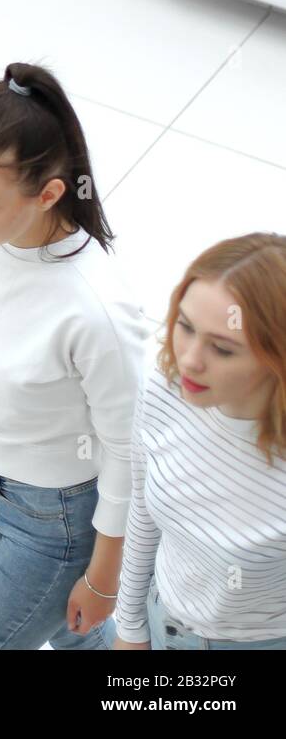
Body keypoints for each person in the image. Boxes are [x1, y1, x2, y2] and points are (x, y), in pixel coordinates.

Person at [0, 63, 149, 649]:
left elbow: (128, 451)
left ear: (49, 194)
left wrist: (104, 578)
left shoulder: (96, 310)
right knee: (71, 636)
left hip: (57, 521)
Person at [114, 233, 286, 651]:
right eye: (185, 326)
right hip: (161, 619)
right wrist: (130, 626)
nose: (189, 360)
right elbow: (142, 509)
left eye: (223, 349)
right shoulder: (165, 390)